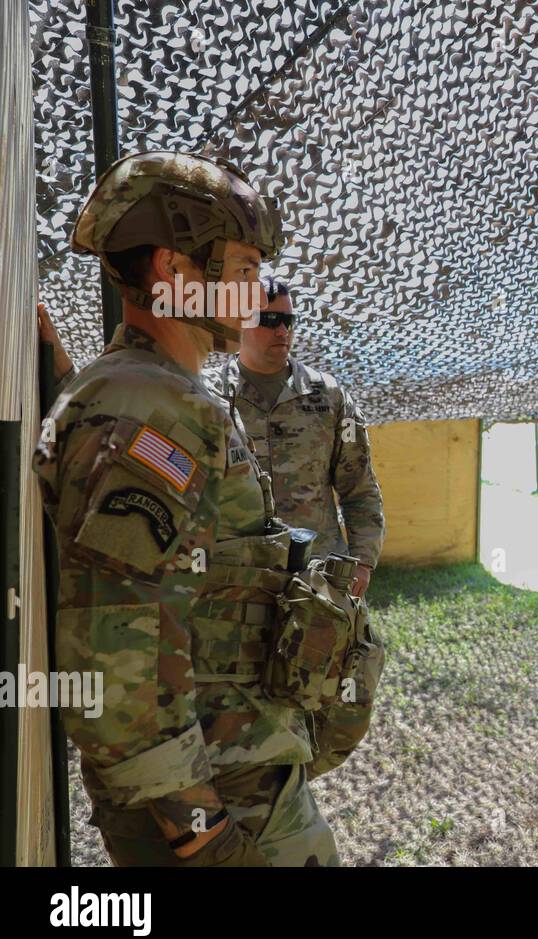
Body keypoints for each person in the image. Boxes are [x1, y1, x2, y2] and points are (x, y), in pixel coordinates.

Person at [33, 150, 343, 866]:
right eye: (241, 270)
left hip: (233, 778)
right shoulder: (150, 409)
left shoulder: (151, 395)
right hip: (219, 802)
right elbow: (115, 637)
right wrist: (204, 837)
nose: (257, 292)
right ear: (174, 274)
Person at [216, 279, 386, 777]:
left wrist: (364, 562)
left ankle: (297, 792)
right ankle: (263, 802)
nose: (282, 330)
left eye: (288, 320)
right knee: (246, 714)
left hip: (317, 589)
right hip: (240, 590)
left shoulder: (327, 397)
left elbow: (359, 489)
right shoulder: (209, 396)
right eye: (269, 320)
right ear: (238, 322)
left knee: (335, 706)